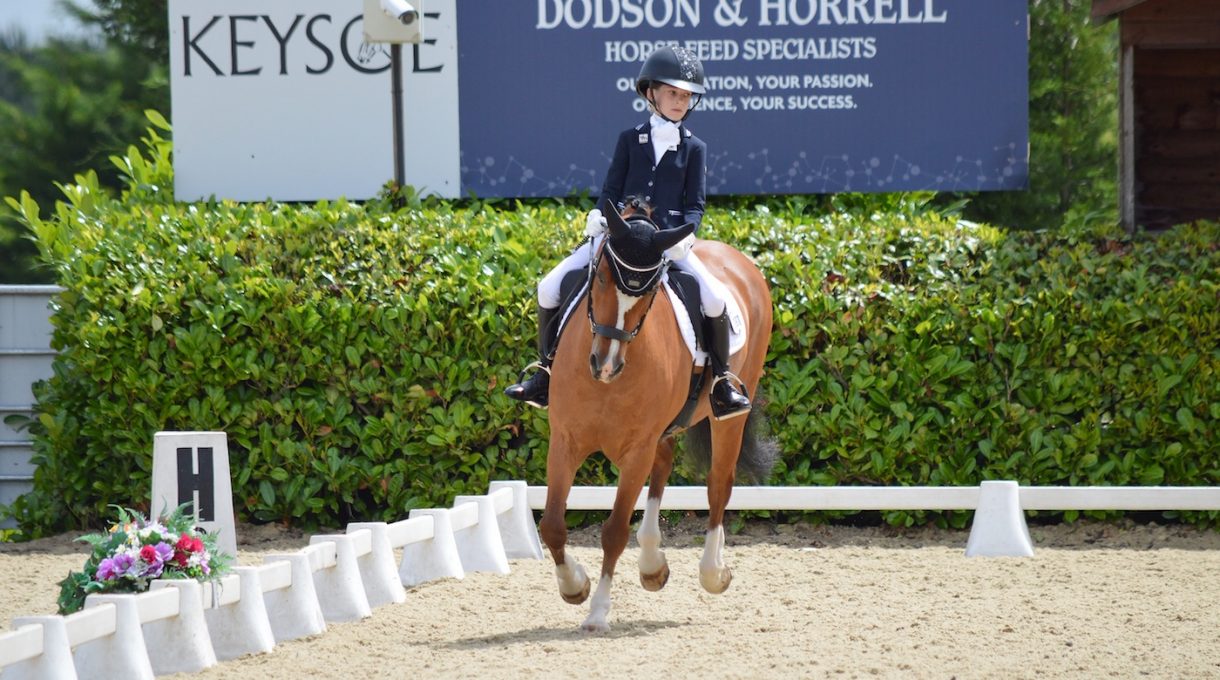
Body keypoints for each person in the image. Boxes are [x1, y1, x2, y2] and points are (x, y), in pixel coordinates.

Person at [504, 45, 751, 420]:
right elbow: (610, 191)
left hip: (667, 243)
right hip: (619, 238)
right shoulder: (629, 139)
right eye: (673, 93)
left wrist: (687, 233)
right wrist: (599, 215)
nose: (680, 101)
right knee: (549, 286)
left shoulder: (695, 148)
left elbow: (695, 204)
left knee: (715, 298)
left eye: (686, 96)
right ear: (650, 92)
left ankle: (722, 382)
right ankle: (544, 373)